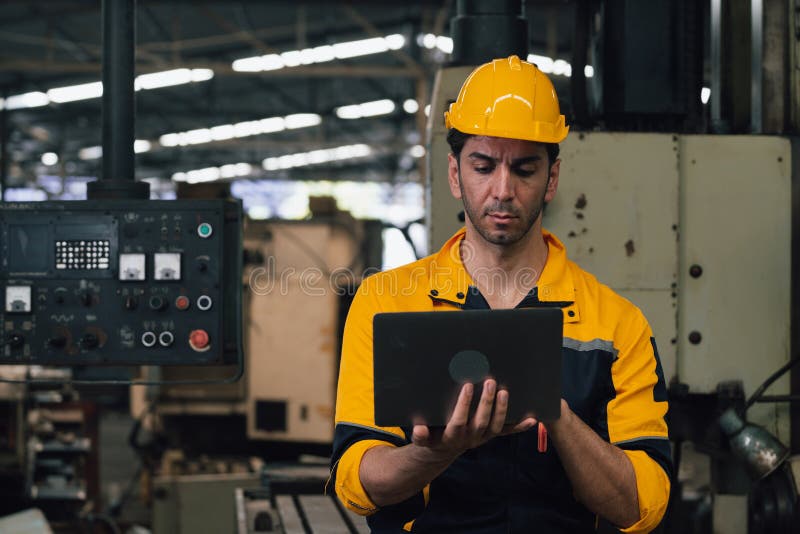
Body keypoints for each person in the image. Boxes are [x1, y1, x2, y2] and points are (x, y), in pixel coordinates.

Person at [329, 55, 671, 533]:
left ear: (551, 179)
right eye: (484, 167)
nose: (503, 190)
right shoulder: (387, 303)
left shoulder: (617, 326)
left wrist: (554, 412)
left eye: (525, 169)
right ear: (455, 174)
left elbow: (644, 504)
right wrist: (437, 452)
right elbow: (357, 481)